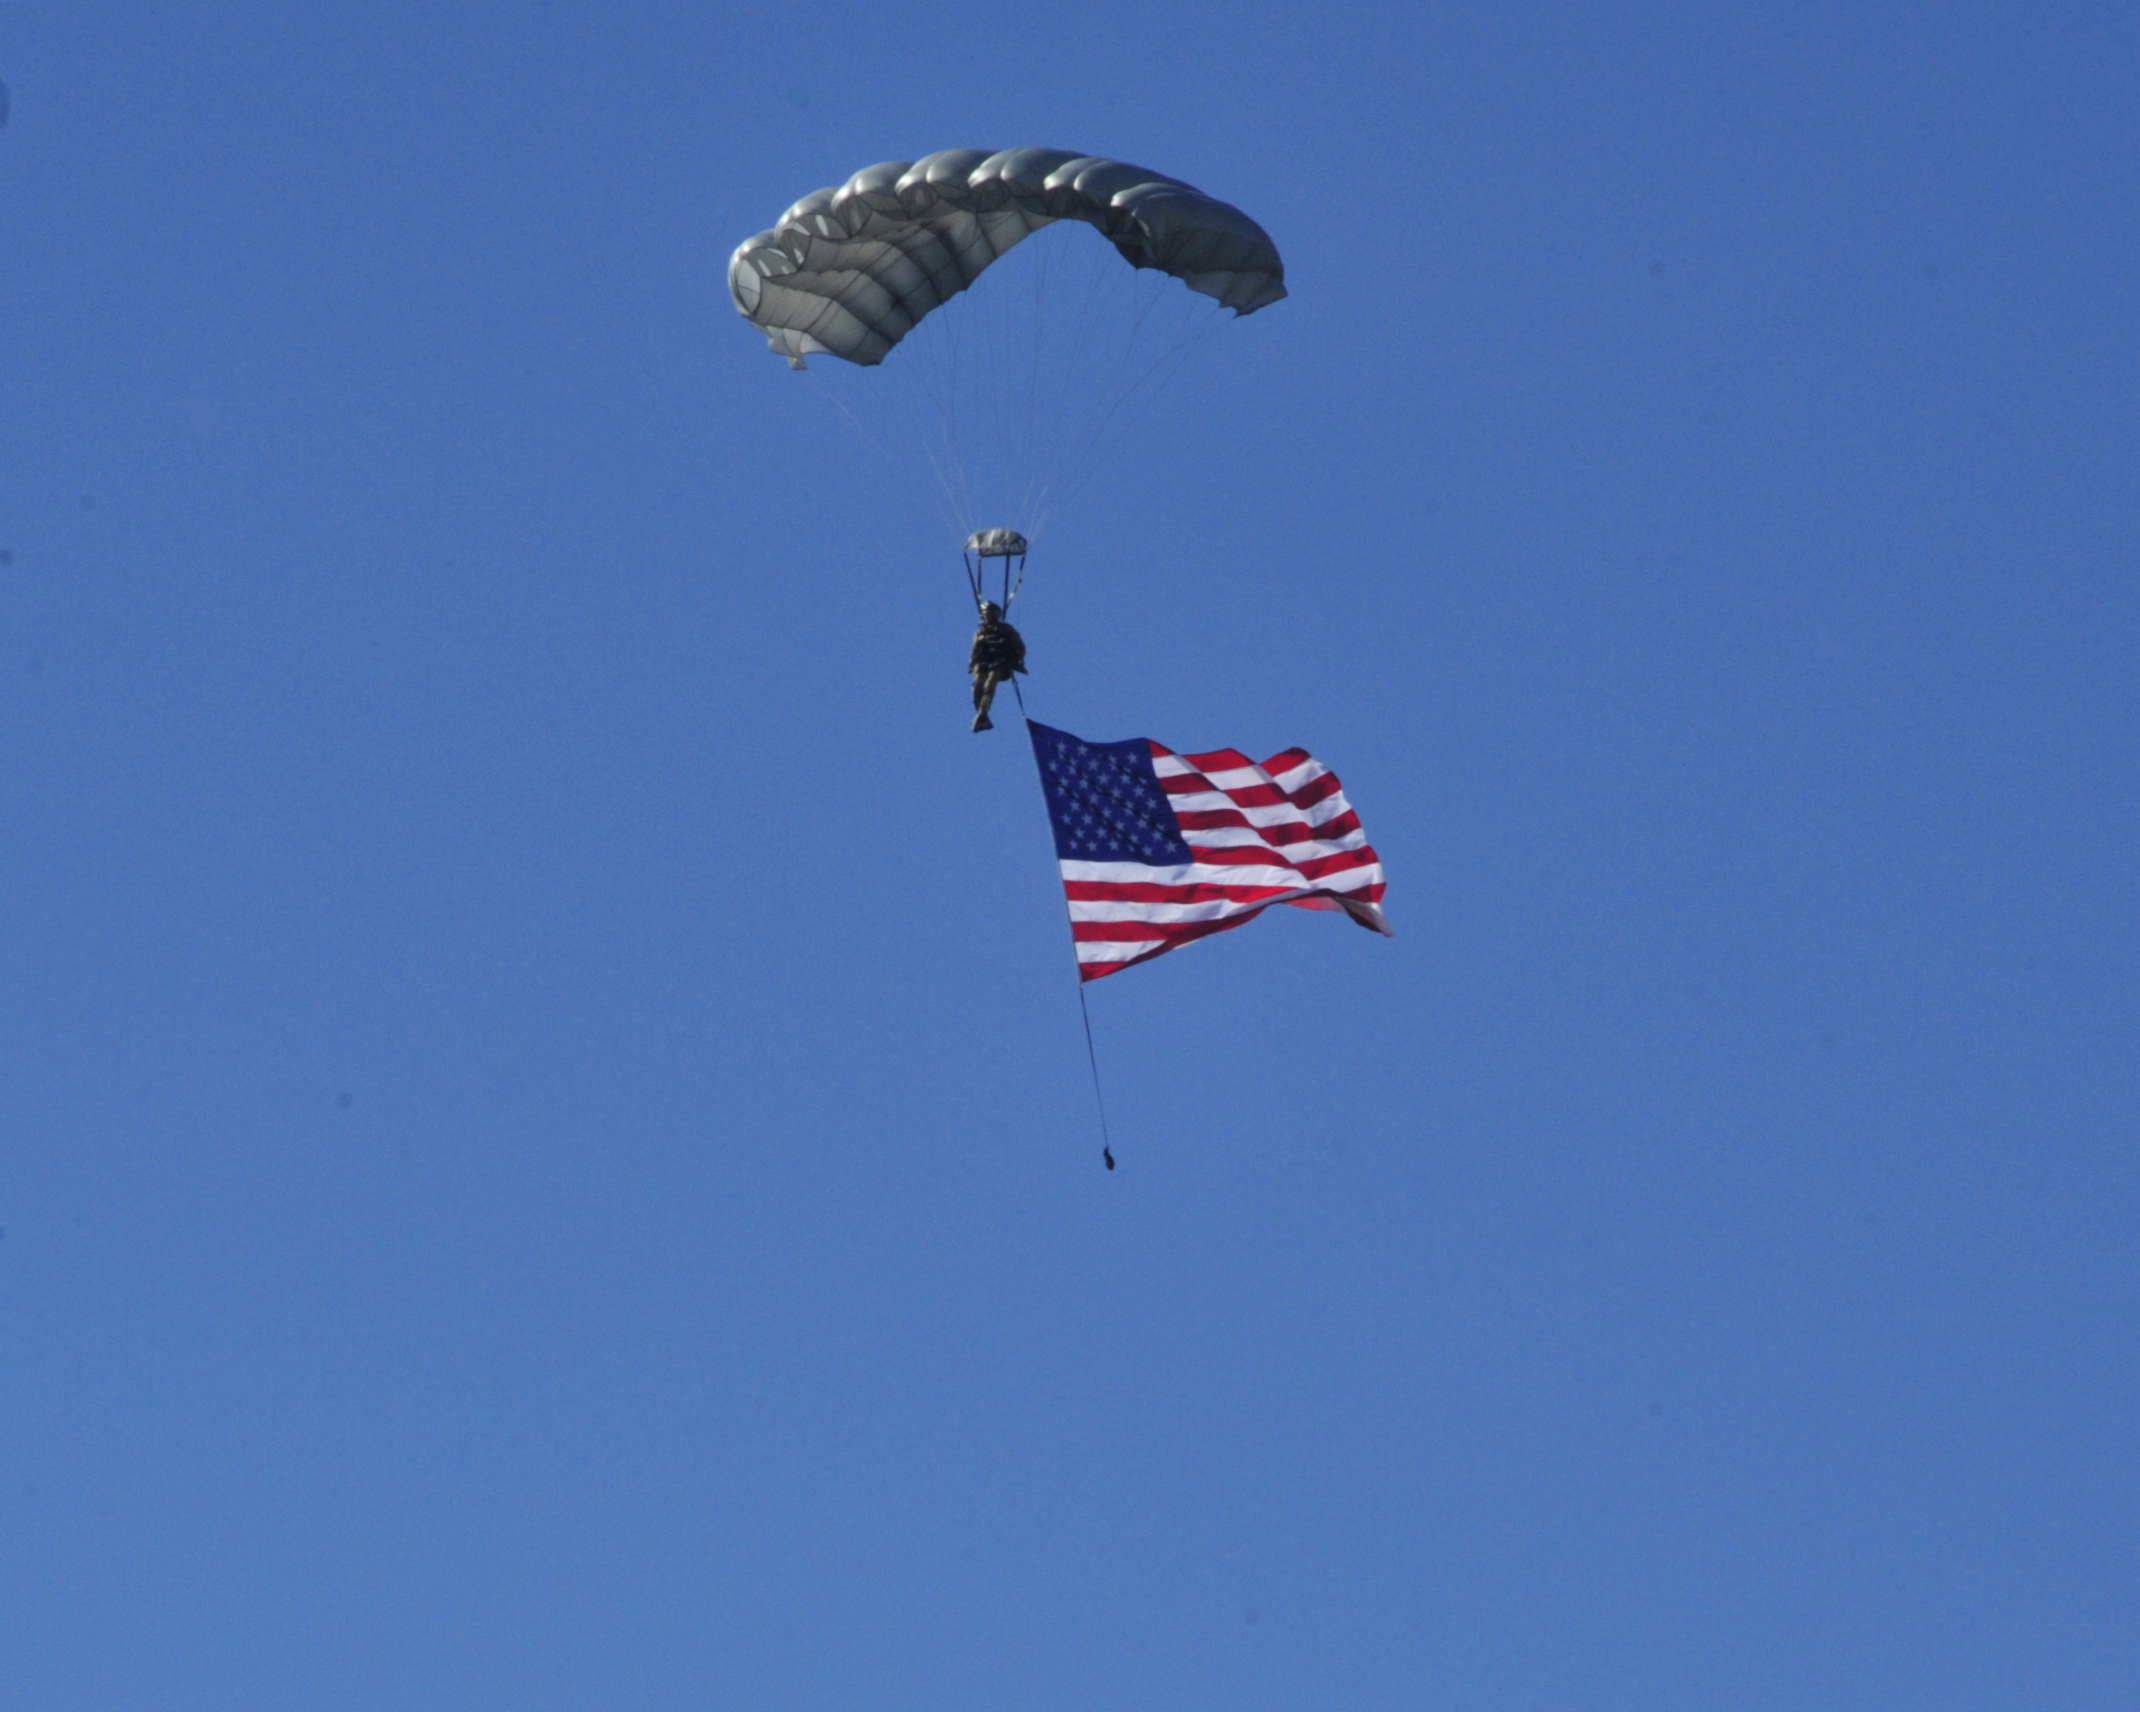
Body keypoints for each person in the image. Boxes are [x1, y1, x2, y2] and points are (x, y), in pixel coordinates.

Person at [968, 600, 1026, 731]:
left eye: (989, 613)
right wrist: (973, 664)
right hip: (984, 665)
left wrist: (1017, 658)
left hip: (1001, 663)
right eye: (985, 614)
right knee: (978, 687)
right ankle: (982, 715)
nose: (987, 616)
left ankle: (983, 712)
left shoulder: (1005, 629)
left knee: (990, 684)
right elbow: (975, 651)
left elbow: (1020, 646)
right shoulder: (980, 633)